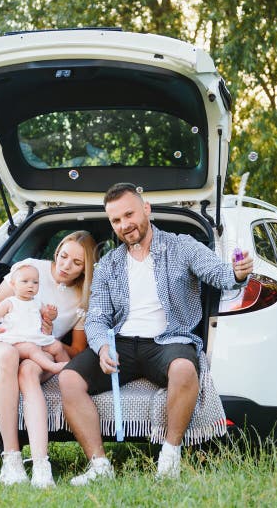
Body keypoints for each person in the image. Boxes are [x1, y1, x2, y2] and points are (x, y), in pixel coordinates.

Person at [59, 183, 253, 485]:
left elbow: (220, 274)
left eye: (128, 214)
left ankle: (170, 456)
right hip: (122, 342)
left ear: (146, 209)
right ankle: (99, 465)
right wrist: (100, 347)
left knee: (186, 369)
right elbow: (96, 317)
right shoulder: (109, 263)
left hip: (169, 340)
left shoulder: (182, 246)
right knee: (69, 379)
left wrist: (238, 273)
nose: (124, 225)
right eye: (116, 220)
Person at [0, 230, 97, 488]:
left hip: (38, 352)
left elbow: (76, 350)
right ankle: (12, 459)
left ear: (86, 268)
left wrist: (50, 339)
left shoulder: (83, 299)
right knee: (9, 355)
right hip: (3, 345)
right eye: (63, 256)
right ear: (58, 250)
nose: (65, 266)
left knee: (28, 371)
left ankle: (42, 465)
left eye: (76, 263)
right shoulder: (30, 269)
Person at [0, 263, 69, 375]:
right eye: (25, 281)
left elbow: (48, 317)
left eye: (35, 282)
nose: (31, 285)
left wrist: (52, 314)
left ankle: (72, 371)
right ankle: (52, 366)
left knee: (57, 346)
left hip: (36, 338)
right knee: (31, 349)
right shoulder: (10, 302)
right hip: (15, 341)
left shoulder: (37, 303)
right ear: (13, 285)